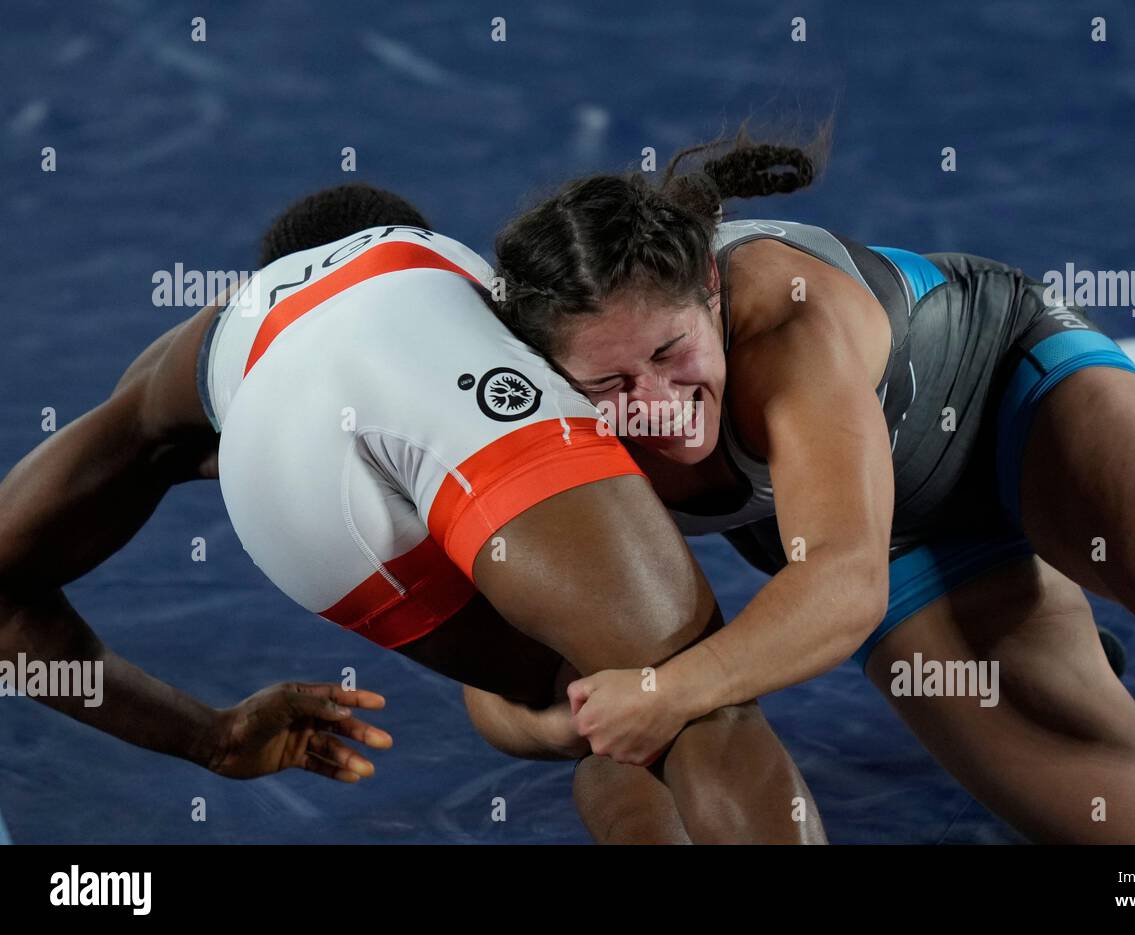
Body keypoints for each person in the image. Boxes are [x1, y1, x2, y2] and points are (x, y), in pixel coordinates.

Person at [490, 133, 1135, 843]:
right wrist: (574, 713)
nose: (659, 406)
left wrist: (668, 690)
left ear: (708, 283)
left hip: (1009, 403)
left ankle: (1063, 602)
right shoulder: (537, 430)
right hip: (901, 541)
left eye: (672, 353)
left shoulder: (784, 322)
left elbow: (842, 585)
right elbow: (491, 682)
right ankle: (1045, 637)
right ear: (552, 376)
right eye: (612, 384)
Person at [0, 183, 823, 844]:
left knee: (603, 706)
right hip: (418, 386)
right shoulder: (447, 277)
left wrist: (211, 737)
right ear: (409, 232)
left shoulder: (182, 358)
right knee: (688, 698)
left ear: (272, 273)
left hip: (279, 491)